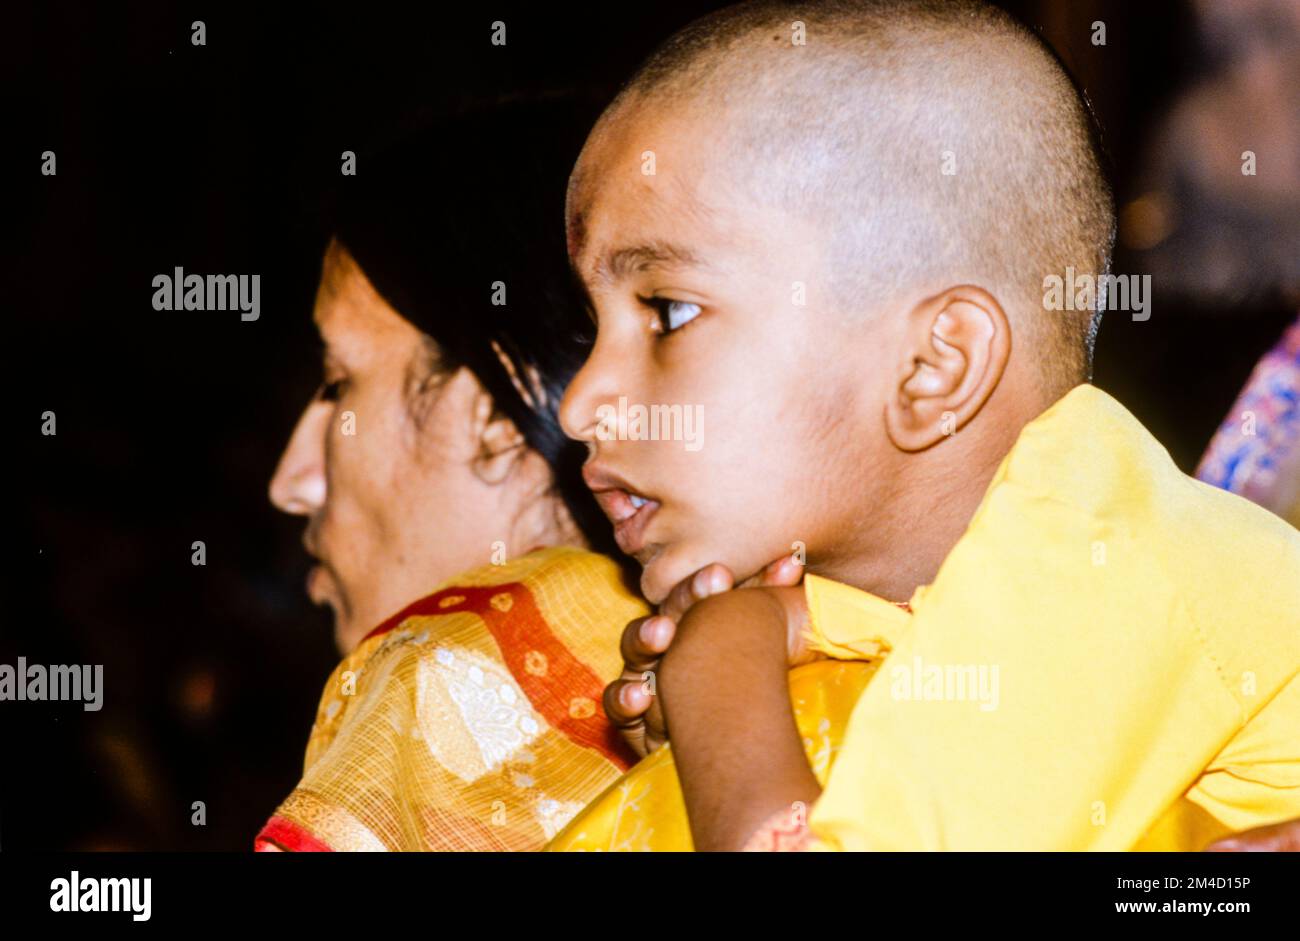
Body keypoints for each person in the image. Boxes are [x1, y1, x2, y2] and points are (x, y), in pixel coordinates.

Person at [548, 0, 1300, 851]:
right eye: (592, 322)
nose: (582, 403)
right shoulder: (966, 582)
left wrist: (717, 673)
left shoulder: (1099, 557)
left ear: (936, 366)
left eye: (668, 310)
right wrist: (766, 638)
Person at [254, 98, 655, 851]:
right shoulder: (794, 671)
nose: (292, 481)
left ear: (497, 416)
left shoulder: (444, 684)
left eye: (340, 382)